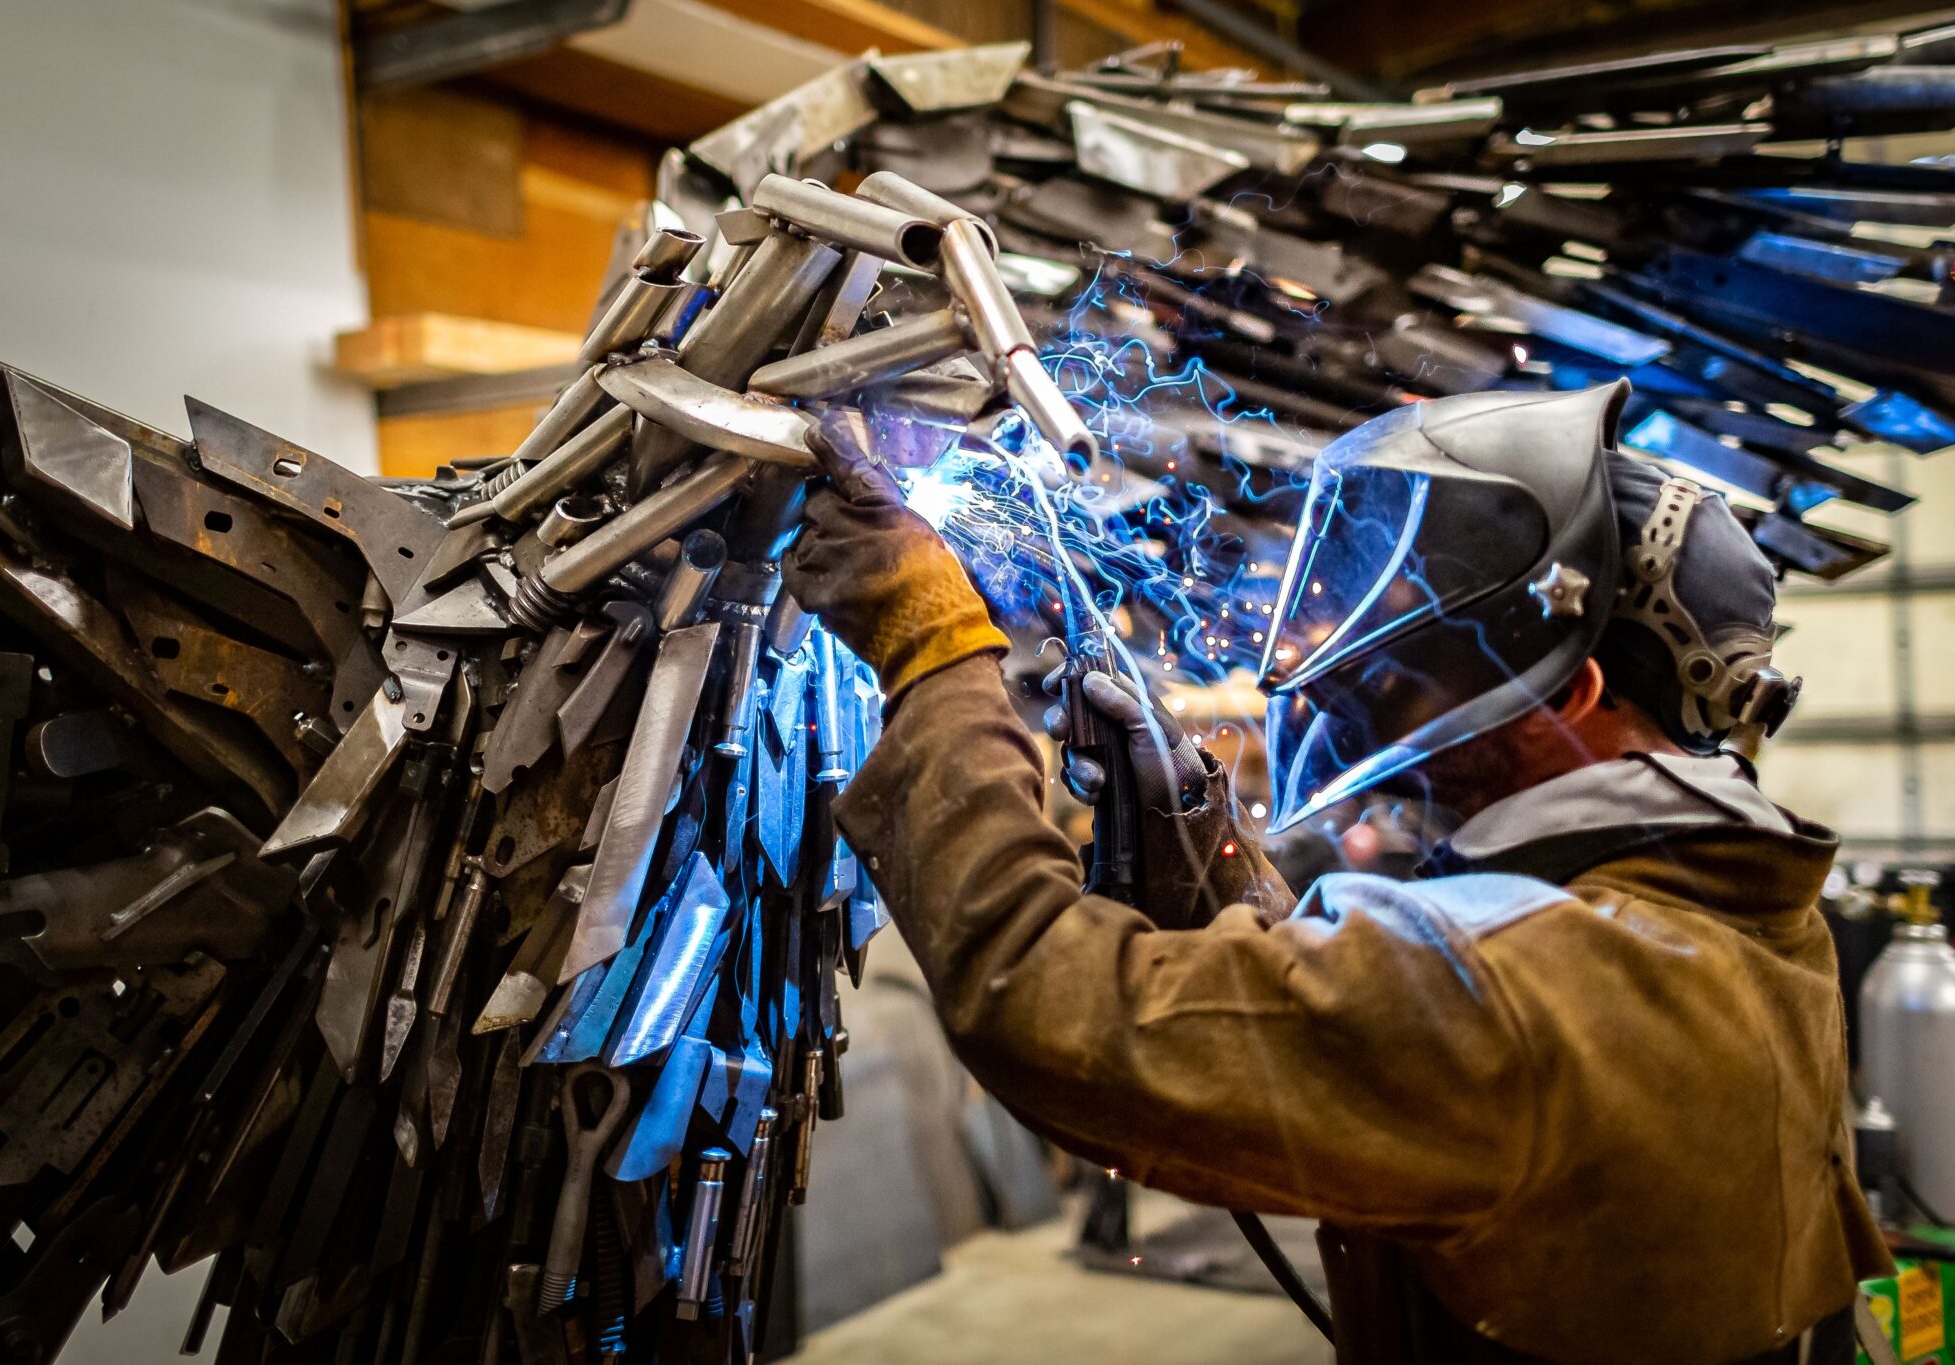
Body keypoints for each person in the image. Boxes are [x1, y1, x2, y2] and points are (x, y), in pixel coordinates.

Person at [781, 382, 1893, 1365]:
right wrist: (1180, 822)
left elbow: (1046, 1002)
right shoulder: (1727, 900)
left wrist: (933, 654)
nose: (1368, 670)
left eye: (1425, 647)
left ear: (1579, 696)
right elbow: (1354, 1012)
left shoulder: (1539, 985)